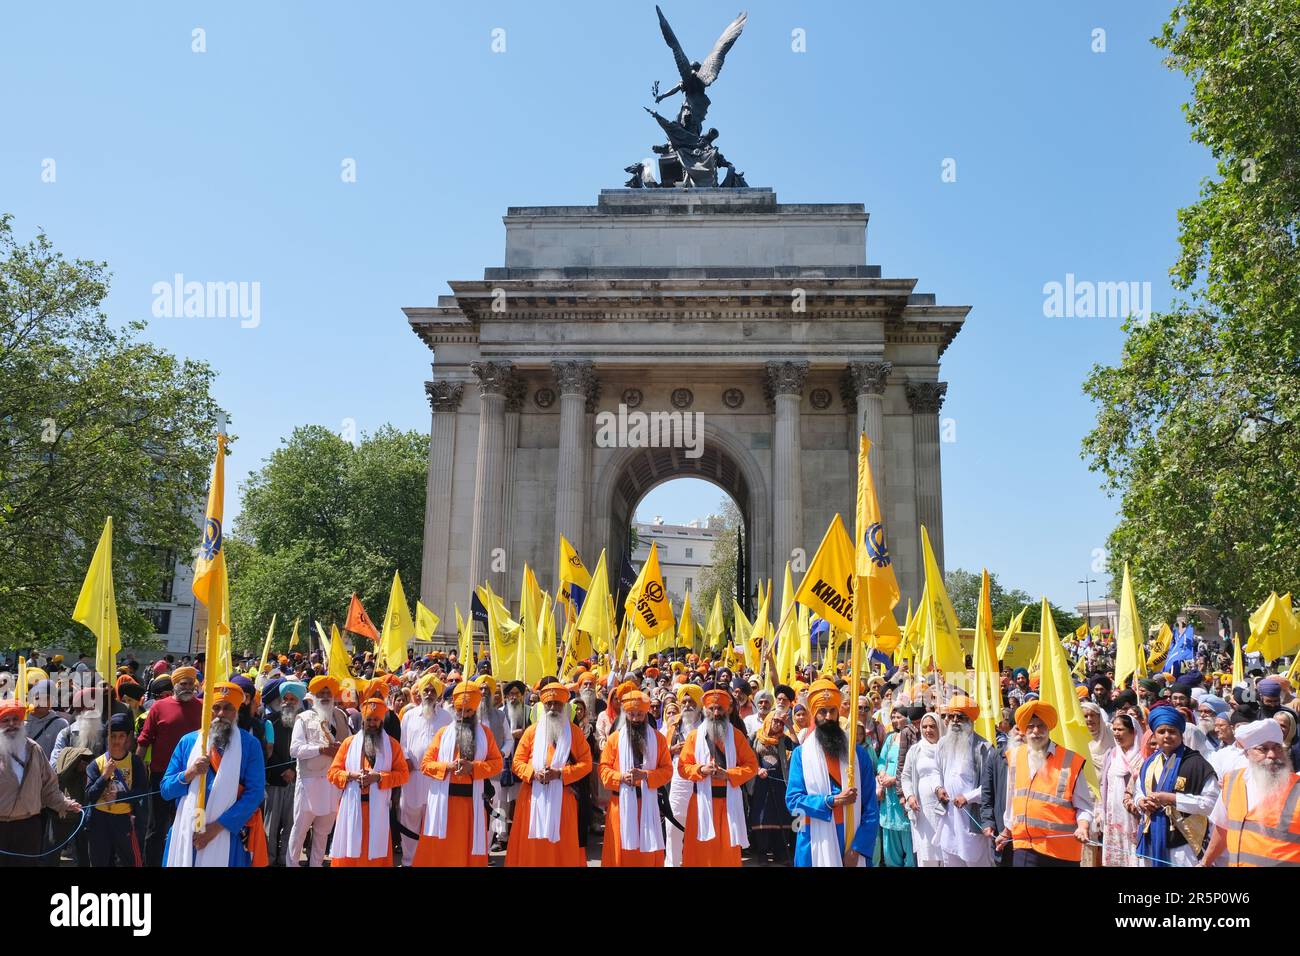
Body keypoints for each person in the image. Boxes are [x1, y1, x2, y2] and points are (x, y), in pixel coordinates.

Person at [161, 682, 267, 867]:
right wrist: (189, 773)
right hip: (189, 830)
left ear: (236, 711)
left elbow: (255, 793)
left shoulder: (250, 745)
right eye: (216, 708)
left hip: (226, 832)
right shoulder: (188, 742)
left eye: (228, 708)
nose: (220, 714)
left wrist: (216, 828)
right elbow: (166, 789)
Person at [785, 679, 878, 867]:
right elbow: (793, 802)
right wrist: (831, 801)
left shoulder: (857, 754)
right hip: (813, 839)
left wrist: (856, 849)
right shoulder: (800, 755)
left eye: (832, 710)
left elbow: (871, 807)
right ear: (813, 714)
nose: (828, 716)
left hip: (852, 837)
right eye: (822, 711)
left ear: (838, 712)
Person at [413, 680, 503, 867]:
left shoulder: (485, 734)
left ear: (475, 710)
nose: (464, 716)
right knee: (442, 852)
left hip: (472, 805)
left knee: (467, 850)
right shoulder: (443, 733)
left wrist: (474, 767)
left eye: (469, 712)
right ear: (454, 708)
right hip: (444, 804)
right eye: (460, 711)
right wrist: (447, 766)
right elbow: (426, 764)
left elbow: (496, 764)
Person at [506, 682, 592, 866]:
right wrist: (533, 773)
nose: (553, 708)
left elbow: (586, 765)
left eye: (557, 704)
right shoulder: (531, 732)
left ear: (564, 706)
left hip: (564, 800)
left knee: (562, 847)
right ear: (543, 706)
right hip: (531, 798)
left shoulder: (575, 733)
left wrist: (560, 773)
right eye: (549, 704)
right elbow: (517, 762)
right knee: (533, 849)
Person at [998, 702, 1093, 867]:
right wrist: (1007, 832)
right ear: (1023, 730)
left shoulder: (1071, 761)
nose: (1035, 731)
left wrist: (1083, 827)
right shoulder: (1014, 756)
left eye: (1041, 726)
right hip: (1025, 846)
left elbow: (1084, 807)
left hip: (1061, 852)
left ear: (1049, 728)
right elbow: (1012, 801)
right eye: (1031, 726)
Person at [1200, 719, 1300, 866]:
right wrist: (1205, 862)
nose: (1272, 754)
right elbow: (1223, 827)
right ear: (1247, 754)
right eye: (1263, 749)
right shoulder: (1232, 781)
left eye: (1277, 748)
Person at [677, 687, 758, 867]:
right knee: (699, 853)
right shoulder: (693, 736)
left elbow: (752, 766)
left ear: (727, 710)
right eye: (712, 708)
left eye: (719, 708)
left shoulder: (736, 736)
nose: (715, 712)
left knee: (726, 854)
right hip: (700, 803)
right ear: (705, 710)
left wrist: (728, 774)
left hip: (729, 804)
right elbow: (683, 767)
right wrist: (700, 769)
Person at [327, 696, 409, 867]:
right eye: (369, 719)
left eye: (376, 720)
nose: (372, 723)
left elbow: (403, 775)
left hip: (378, 809)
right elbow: (333, 773)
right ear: (363, 720)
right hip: (351, 808)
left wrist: (378, 777)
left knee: (374, 858)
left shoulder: (392, 745)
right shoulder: (349, 743)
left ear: (381, 721)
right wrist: (351, 776)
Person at [1133, 706, 1218, 867]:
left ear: (1180, 733)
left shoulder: (1196, 764)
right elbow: (1138, 792)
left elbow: (1212, 804)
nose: (1167, 736)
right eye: (1161, 731)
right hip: (1152, 839)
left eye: (1172, 731)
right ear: (1154, 735)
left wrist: (1173, 799)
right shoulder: (1149, 763)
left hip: (1184, 844)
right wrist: (1141, 802)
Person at [0, 699, 81, 866]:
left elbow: (49, 787)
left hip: (29, 827)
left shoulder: (34, 749)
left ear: (22, 722)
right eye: (5, 720)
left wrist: (64, 803)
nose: (11, 724)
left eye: (16, 719)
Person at [136, 664, 201, 866]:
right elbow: (143, 742)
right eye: (184, 683)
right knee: (156, 827)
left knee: (192, 825)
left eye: (191, 683)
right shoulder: (158, 707)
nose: (188, 687)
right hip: (161, 777)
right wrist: (136, 777)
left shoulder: (203, 707)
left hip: (195, 777)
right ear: (174, 685)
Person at [599, 689, 672, 867]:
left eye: (640, 714)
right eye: (632, 714)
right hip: (619, 807)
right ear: (626, 714)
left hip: (648, 806)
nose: (636, 718)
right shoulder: (614, 739)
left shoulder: (659, 739)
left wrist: (646, 775)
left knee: (646, 857)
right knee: (620, 854)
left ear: (646, 714)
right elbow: (603, 770)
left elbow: (667, 771)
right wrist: (621, 777)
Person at [287, 676, 350, 867]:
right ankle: (292, 864)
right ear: (313, 696)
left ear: (333, 695)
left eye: (327, 692)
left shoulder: (341, 716)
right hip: (309, 782)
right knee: (300, 830)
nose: (324, 696)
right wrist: (321, 750)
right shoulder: (304, 718)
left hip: (333, 783)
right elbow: (295, 749)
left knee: (323, 832)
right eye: (320, 693)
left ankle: (316, 864)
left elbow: (349, 746)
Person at [398, 672, 451, 866]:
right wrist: (405, 758)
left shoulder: (447, 717)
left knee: (433, 819)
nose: (429, 693)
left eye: (433, 690)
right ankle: (408, 861)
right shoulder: (409, 715)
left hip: (435, 778)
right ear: (419, 692)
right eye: (426, 690)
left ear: (438, 694)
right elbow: (402, 743)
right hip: (412, 776)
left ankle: (431, 860)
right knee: (409, 818)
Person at [934, 696, 991, 867]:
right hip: (949, 816)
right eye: (952, 716)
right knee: (950, 858)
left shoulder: (984, 748)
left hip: (970, 817)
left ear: (971, 720)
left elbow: (990, 786)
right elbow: (936, 770)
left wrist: (968, 797)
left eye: (961, 717)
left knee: (975, 860)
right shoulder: (943, 743)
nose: (955, 721)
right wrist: (938, 788)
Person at [84, 713, 148, 866]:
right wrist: (104, 775)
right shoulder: (96, 764)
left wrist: (118, 797)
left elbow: (142, 792)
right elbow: (89, 796)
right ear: (107, 737)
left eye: (121, 736)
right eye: (112, 736)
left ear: (127, 738)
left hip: (124, 820)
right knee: (100, 862)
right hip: (99, 820)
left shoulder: (135, 762)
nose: (117, 741)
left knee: (131, 861)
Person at [261, 679, 301, 866]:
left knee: (291, 824)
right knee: (271, 825)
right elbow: (268, 752)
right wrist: (283, 770)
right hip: (274, 780)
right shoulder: (269, 721)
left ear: (298, 702)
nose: (289, 702)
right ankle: (268, 860)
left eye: (293, 699)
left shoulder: (303, 722)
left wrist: (292, 771)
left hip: (296, 781)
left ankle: (286, 859)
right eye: (286, 698)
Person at [747, 710, 794, 864]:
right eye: (776, 721)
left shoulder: (784, 739)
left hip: (780, 782)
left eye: (781, 722)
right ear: (768, 720)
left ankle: (780, 852)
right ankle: (762, 853)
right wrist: (757, 769)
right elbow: (747, 758)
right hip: (761, 782)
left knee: (781, 815)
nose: (778, 724)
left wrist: (790, 727)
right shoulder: (755, 737)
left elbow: (797, 749)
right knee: (762, 816)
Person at [664, 681, 702, 866]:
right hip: (679, 780)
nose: (687, 705)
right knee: (673, 824)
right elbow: (661, 751)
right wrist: (672, 749)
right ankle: (672, 863)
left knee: (700, 825)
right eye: (684, 702)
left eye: (691, 701)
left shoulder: (707, 725)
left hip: (702, 780)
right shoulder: (673, 726)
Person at [900, 712, 945, 867]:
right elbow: (905, 776)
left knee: (946, 854)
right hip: (923, 812)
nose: (928, 730)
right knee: (927, 855)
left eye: (932, 726)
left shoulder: (947, 749)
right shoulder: (915, 750)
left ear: (940, 727)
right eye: (924, 726)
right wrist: (910, 796)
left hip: (946, 811)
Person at [1099, 711, 1143, 867]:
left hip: (1134, 818)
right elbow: (1104, 785)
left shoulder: (1142, 758)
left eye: (1121, 729)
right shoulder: (1111, 755)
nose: (1116, 733)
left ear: (1133, 732)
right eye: (1114, 729)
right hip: (1113, 817)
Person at [876, 707, 914, 866]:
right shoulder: (891, 738)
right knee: (890, 848)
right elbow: (881, 760)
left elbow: (912, 765)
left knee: (910, 846)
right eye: (893, 717)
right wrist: (882, 774)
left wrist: (895, 780)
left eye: (899, 717)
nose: (895, 720)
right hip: (888, 797)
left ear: (908, 718)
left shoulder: (913, 737)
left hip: (903, 795)